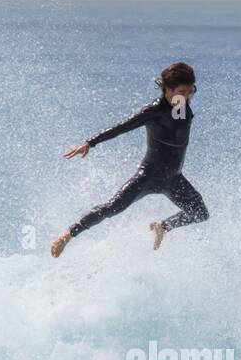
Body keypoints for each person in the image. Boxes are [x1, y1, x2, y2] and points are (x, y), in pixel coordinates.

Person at [50, 61, 208, 257]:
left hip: (174, 179)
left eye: (191, 91)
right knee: (112, 208)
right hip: (148, 177)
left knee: (200, 213)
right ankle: (68, 235)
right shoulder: (154, 111)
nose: (187, 97)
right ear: (167, 89)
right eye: (182, 92)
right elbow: (121, 127)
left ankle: (163, 226)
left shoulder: (182, 105)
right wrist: (90, 143)